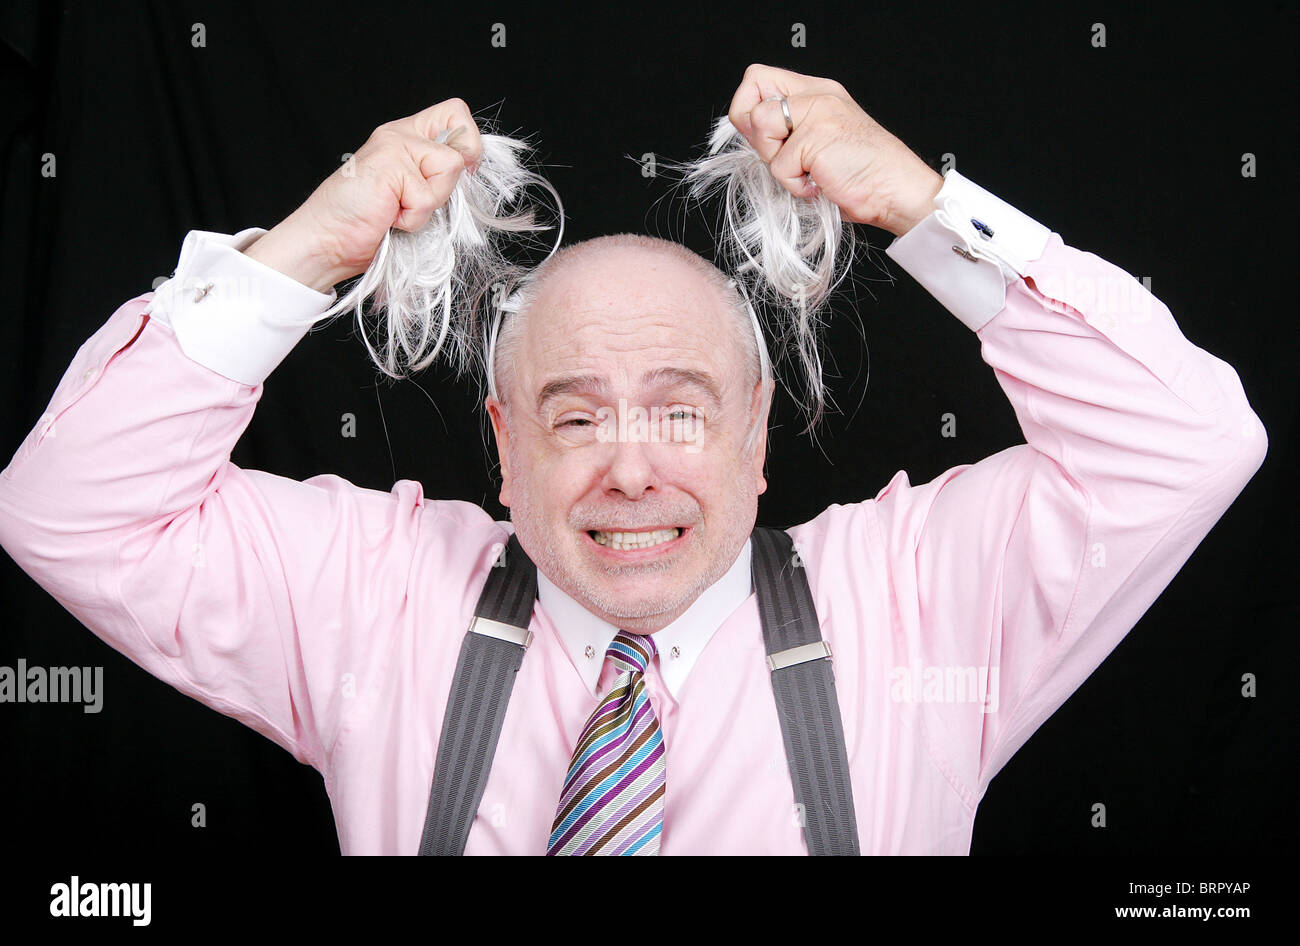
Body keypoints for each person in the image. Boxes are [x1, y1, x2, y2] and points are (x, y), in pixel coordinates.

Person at [0, 65, 1267, 855]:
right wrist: (311, 248)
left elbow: (1188, 441)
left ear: (757, 434)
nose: (628, 468)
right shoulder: (369, 598)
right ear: (502, 449)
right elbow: (67, 513)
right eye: (571, 416)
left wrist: (921, 208)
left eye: (677, 411)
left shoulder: (917, 599)